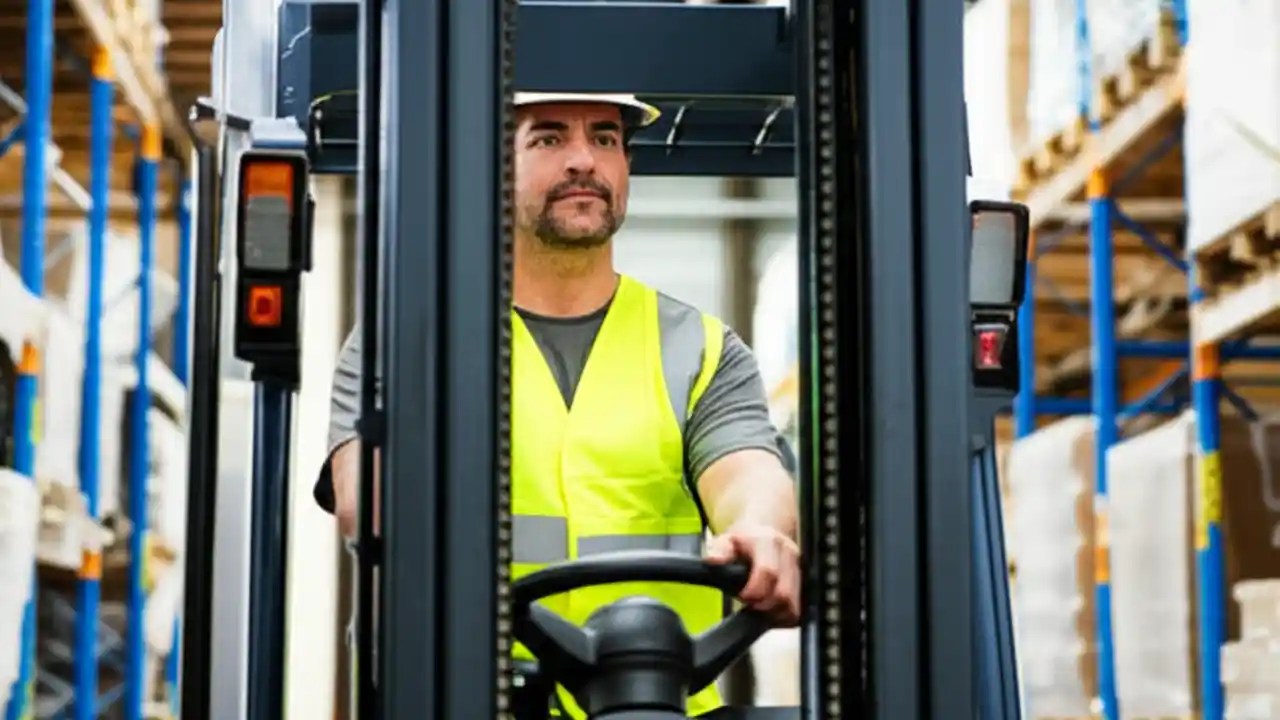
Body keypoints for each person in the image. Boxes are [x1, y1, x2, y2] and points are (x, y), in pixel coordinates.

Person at [312, 91, 801, 718]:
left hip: (660, 704)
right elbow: (368, 504)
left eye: (604, 139)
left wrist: (760, 530)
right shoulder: (410, 341)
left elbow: (749, 474)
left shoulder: (700, 346)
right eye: (547, 139)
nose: (583, 161)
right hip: (471, 697)